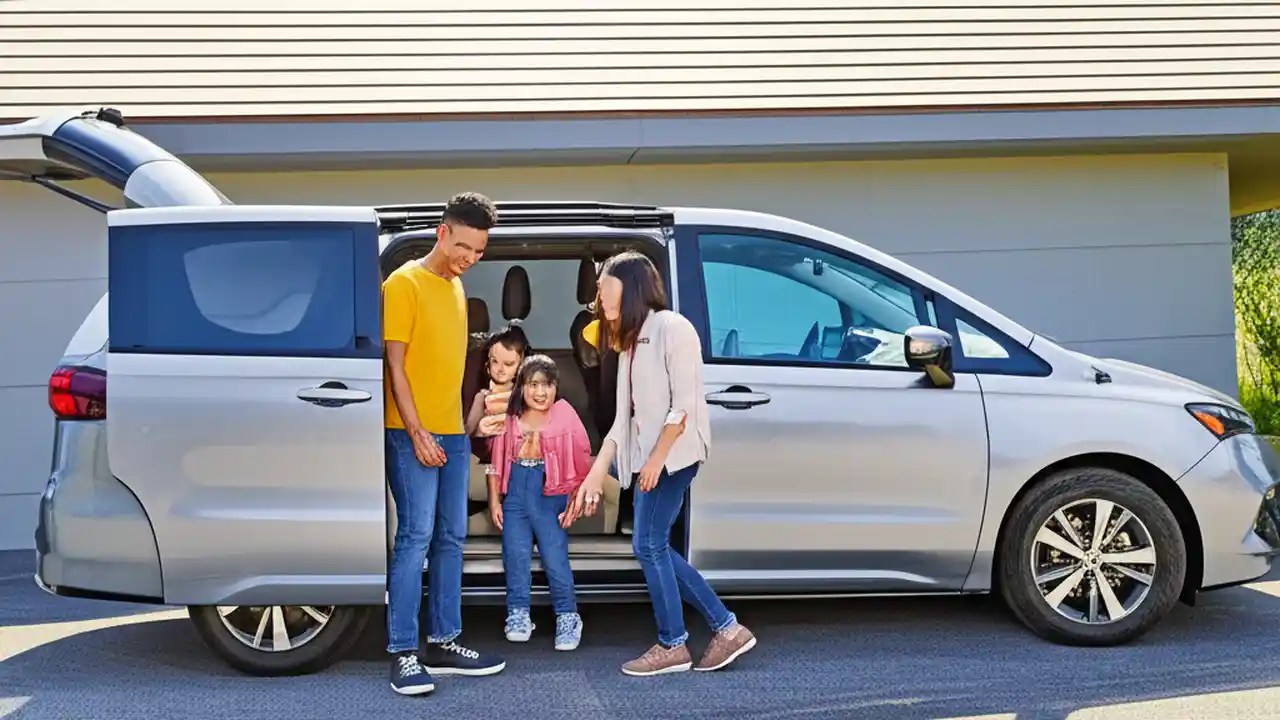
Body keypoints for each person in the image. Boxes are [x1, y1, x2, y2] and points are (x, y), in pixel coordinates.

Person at [561, 251, 757, 677]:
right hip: (654, 459)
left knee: (649, 545)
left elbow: (684, 406)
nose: (597, 294)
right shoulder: (630, 342)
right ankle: (714, 632)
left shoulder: (672, 327)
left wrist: (655, 461)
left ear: (627, 285)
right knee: (651, 545)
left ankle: (690, 639)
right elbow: (622, 421)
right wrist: (596, 473)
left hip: (674, 457)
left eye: (604, 285)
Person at [382, 191, 506, 696]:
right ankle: (403, 652)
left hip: (452, 434)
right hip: (411, 433)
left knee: (452, 539)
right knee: (414, 538)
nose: (469, 259)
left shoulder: (457, 290)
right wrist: (417, 434)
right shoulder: (404, 283)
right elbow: (396, 368)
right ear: (442, 232)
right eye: (464, 247)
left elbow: (446, 373)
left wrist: (460, 429)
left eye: (479, 251)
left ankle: (445, 641)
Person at [485, 355, 592, 651]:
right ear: (522, 387)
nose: (540, 392)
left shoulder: (565, 414)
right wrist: (495, 500)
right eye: (533, 384)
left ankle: (568, 616)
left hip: (550, 497)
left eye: (547, 384)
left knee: (554, 558)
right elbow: (495, 463)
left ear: (556, 387)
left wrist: (577, 497)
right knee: (515, 555)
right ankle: (518, 612)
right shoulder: (511, 417)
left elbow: (582, 457)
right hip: (516, 498)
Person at [465, 323, 531, 443]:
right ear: (487, 363)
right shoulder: (482, 397)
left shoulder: (526, 395)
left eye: (508, 364)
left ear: (521, 364)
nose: (500, 369)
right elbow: (468, 432)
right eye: (495, 361)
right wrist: (479, 431)